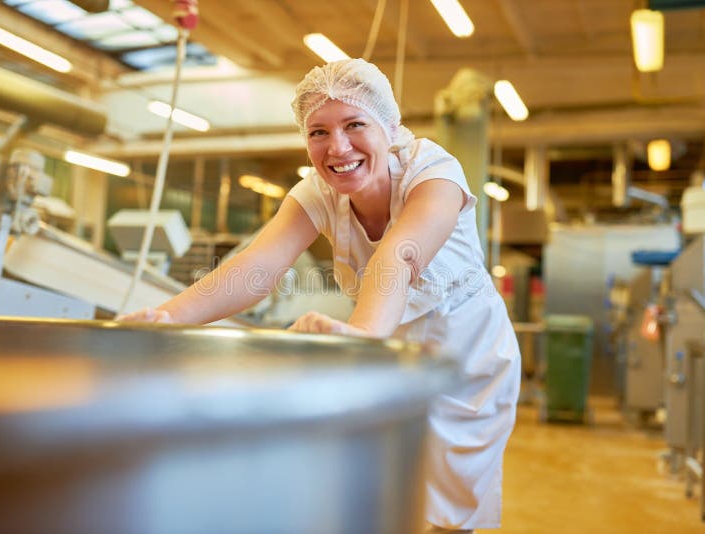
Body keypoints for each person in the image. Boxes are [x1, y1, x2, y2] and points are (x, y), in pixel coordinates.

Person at [120, 58, 520, 532]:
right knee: (377, 498)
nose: (338, 147)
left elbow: (398, 258)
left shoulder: (434, 175)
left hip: (464, 364)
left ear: (390, 126)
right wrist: (166, 319)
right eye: (318, 132)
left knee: (445, 513)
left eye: (355, 125)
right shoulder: (318, 191)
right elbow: (255, 267)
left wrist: (360, 339)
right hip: (387, 356)